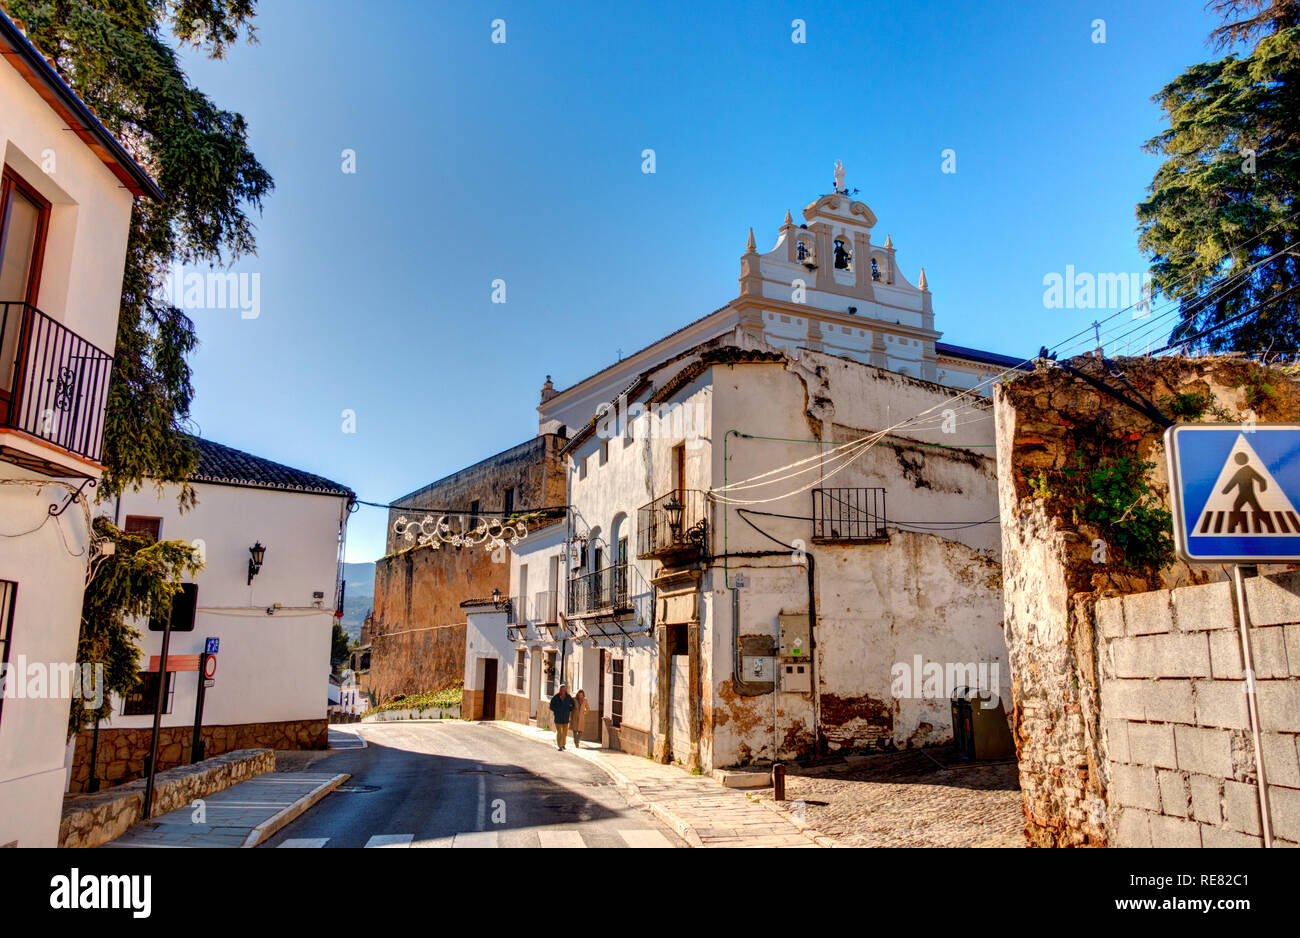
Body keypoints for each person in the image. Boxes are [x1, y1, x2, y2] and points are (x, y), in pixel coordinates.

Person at [549, 684, 575, 750]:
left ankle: (563, 744)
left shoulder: (568, 697)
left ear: (565, 690)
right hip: (558, 718)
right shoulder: (556, 697)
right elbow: (551, 706)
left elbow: (573, 705)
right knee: (560, 732)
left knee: (564, 733)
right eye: (562, 689)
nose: (563, 690)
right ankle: (560, 746)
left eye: (564, 689)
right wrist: (556, 710)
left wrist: (569, 709)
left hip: (566, 718)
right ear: (560, 690)